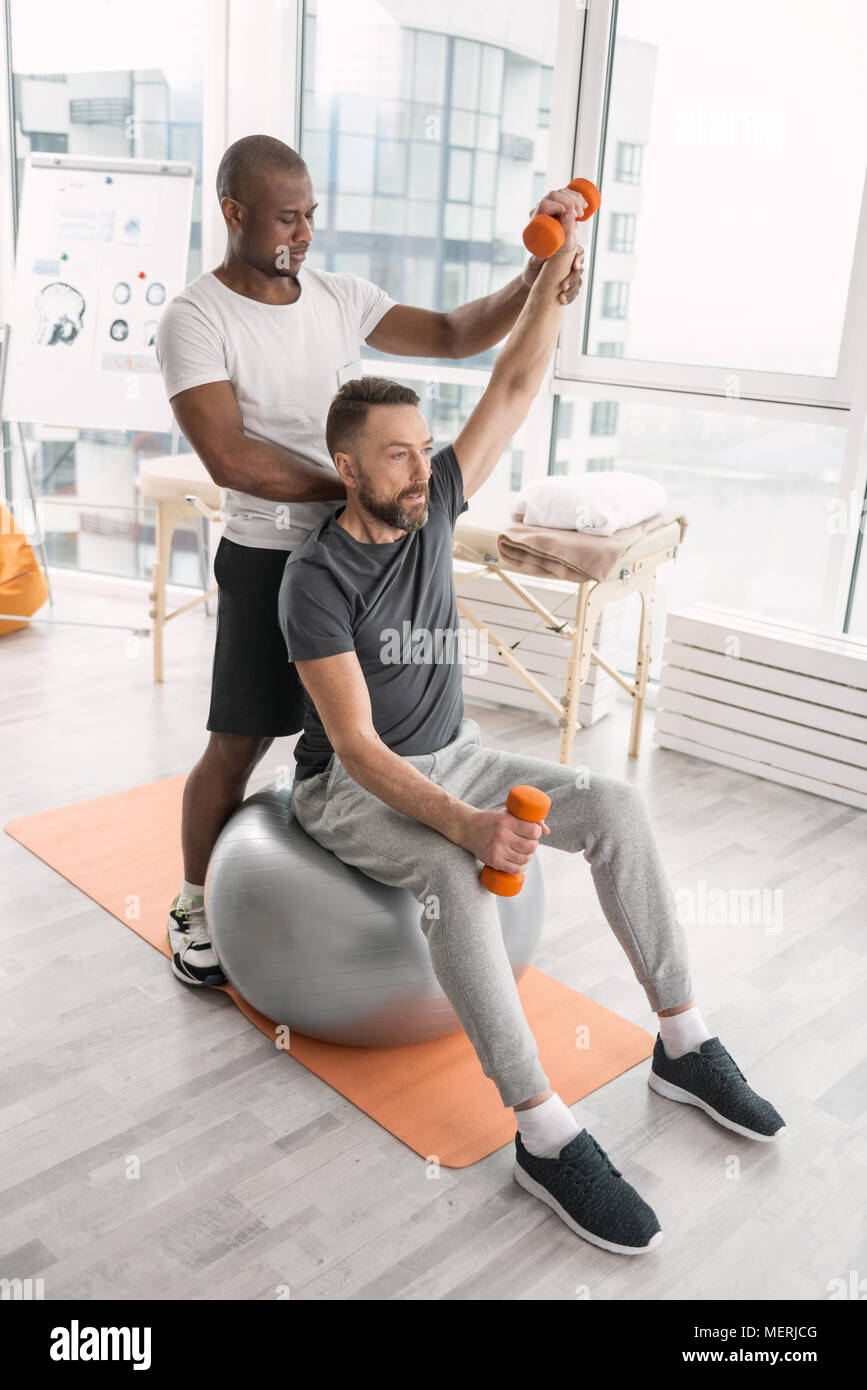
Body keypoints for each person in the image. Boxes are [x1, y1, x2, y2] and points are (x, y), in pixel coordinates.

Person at [278, 191, 787, 1256]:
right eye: (400, 456)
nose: (426, 467)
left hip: (457, 752)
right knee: (460, 880)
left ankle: (684, 1040)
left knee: (615, 802)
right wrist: (465, 828)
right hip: (349, 786)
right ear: (350, 470)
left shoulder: (437, 504)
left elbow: (512, 381)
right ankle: (544, 1133)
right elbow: (362, 750)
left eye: (425, 447)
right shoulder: (314, 581)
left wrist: (555, 285)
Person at [154, 134, 584, 987]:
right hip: (270, 557)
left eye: (311, 214)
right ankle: (196, 899)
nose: (304, 233)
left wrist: (532, 282)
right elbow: (230, 457)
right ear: (234, 213)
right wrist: (353, 489)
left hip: (360, 560)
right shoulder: (195, 318)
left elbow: (460, 333)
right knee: (239, 741)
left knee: (371, 737)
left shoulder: (338, 295)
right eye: (286, 217)